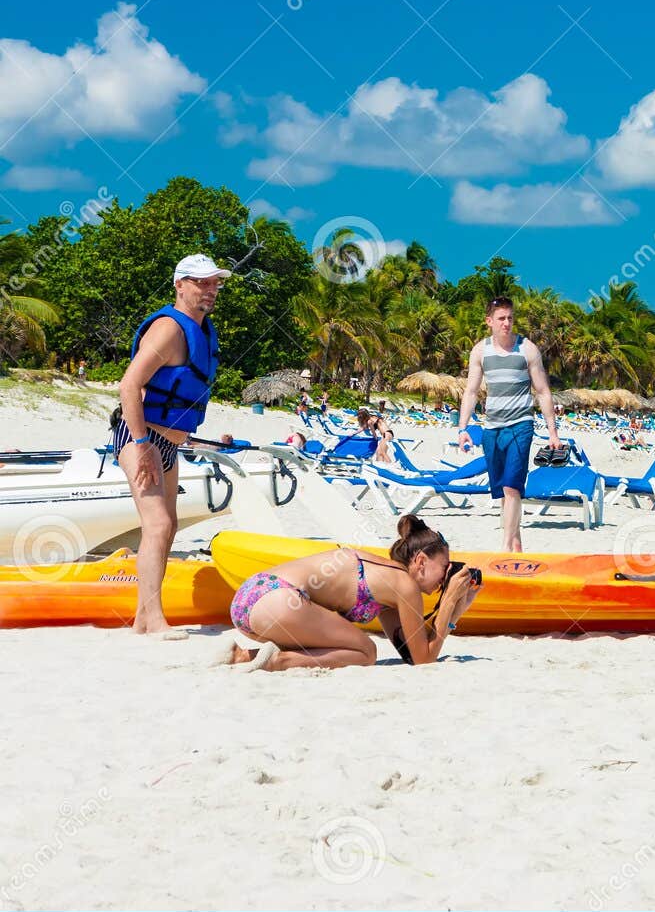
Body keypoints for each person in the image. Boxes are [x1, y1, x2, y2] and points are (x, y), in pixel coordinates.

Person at [114, 254, 230, 639]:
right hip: (139, 437)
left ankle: (144, 620)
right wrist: (144, 444)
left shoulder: (203, 330)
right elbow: (128, 386)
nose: (210, 289)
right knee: (158, 523)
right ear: (179, 285)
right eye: (201, 282)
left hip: (167, 441)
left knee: (169, 525)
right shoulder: (168, 329)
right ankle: (152, 620)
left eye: (215, 283)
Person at [223, 516, 482, 671]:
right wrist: (447, 602)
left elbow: (414, 655)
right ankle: (275, 662)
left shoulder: (391, 586)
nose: (446, 575)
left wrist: (456, 609)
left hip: (251, 598)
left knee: (349, 649)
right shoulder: (405, 585)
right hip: (278, 598)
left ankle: (244, 656)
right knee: (366, 652)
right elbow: (426, 661)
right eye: (445, 567)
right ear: (421, 561)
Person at [458, 296, 561, 552]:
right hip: (492, 429)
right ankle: (516, 545)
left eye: (510, 318)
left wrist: (552, 432)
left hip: (521, 424)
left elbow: (543, 391)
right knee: (504, 492)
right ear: (489, 321)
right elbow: (471, 391)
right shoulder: (480, 351)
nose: (507, 323)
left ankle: (505, 547)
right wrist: (462, 428)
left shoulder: (527, 349)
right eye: (501, 318)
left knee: (512, 486)